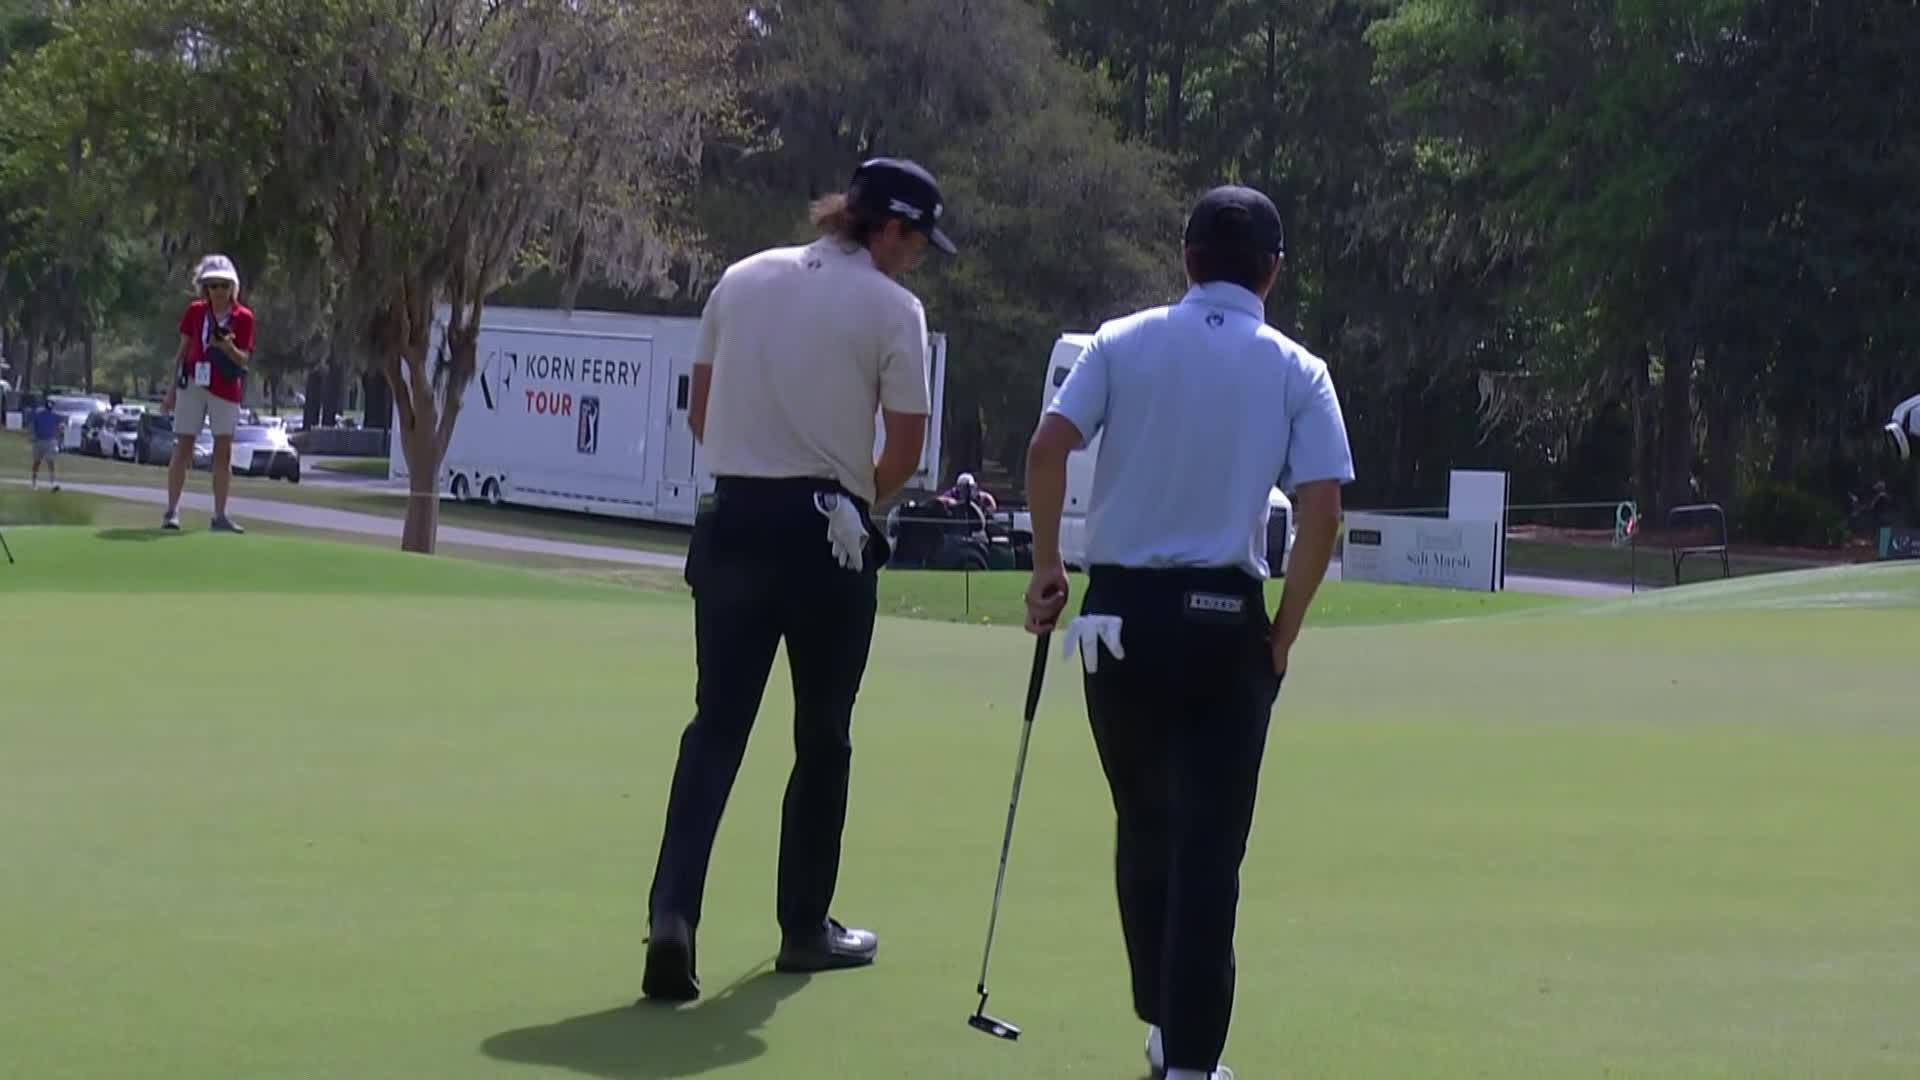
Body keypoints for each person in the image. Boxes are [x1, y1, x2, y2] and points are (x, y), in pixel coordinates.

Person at [1022, 185, 1355, 1080]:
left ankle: (1165, 1022)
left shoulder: (1119, 341)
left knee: (1144, 824)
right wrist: (1283, 633)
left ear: (1186, 258)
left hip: (1118, 622)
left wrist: (1048, 565)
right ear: (1273, 271)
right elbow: (1322, 507)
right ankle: (1191, 1060)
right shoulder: (1298, 368)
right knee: (1209, 849)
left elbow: (1049, 447)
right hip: (1222, 625)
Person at [640, 158, 956, 1003]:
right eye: (918, 241)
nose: (918, 259)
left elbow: (702, 412)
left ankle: (672, 916)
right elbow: (904, 448)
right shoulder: (893, 308)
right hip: (826, 537)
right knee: (823, 735)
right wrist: (856, 500)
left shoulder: (741, 278)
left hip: (732, 521)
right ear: (889, 228)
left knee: (716, 728)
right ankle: (803, 927)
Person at [162, 254, 255, 532]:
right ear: (205, 288)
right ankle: (171, 511)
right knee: (184, 445)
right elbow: (182, 351)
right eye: (213, 286)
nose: (219, 291)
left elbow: (244, 359)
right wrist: (171, 391)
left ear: (232, 287)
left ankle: (220, 514)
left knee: (222, 451)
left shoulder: (243, 317)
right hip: (193, 383)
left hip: (225, 387)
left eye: (224, 286)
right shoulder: (195, 312)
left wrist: (226, 347)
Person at [29, 398, 63, 492]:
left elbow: (60, 428)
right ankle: (34, 483)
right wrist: (32, 436)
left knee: (51, 461)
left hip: (50, 441)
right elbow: (33, 426)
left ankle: (53, 483)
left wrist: (58, 439)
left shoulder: (55, 416)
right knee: (37, 462)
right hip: (39, 441)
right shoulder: (38, 415)